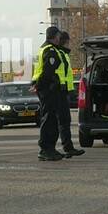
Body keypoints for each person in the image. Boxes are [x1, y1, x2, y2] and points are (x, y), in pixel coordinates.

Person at [32, 27, 65, 162]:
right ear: (54, 36)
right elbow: (47, 72)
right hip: (48, 90)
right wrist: (39, 85)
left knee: (51, 119)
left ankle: (50, 148)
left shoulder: (46, 49)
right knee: (49, 119)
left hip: (47, 89)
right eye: (58, 36)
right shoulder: (50, 51)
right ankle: (46, 149)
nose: (59, 39)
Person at [56, 32, 85, 158]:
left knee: (64, 121)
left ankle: (68, 147)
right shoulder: (59, 54)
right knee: (60, 121)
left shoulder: (62, 53)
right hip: (58, 91)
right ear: (65, 41)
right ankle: (66, 147)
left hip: (63, 91)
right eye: (68, 41)